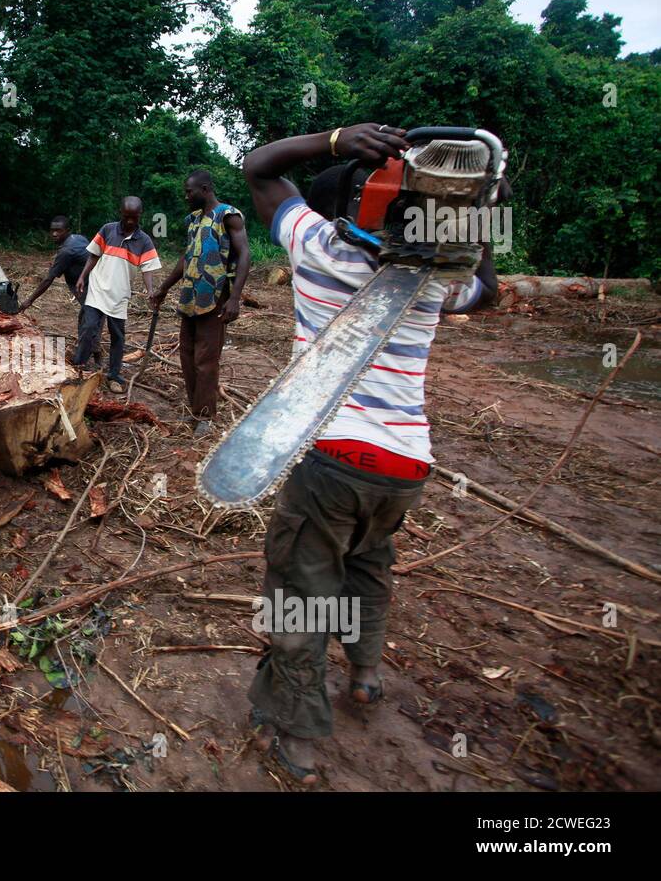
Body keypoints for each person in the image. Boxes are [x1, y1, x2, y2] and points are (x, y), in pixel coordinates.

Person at [239, 122, 500, 785]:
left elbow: (260, 169)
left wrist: (335, 139)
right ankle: (366, 677)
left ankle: (296, 738)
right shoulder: (437, 279)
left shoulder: (319, 247)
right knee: (370, 565)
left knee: (305, 590)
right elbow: (487, 290)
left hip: (331, 460)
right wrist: (477, 216)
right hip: (408, 466)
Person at [151, 169, 251, 438]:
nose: (186, 196)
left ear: (205, 189)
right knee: (187, 355)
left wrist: (234, 298)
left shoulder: (228, 216)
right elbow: (186, 258)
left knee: (206, 360)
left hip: (215, 298)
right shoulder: (194, 220)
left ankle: (205, 416)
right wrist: (164, 288)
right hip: (190, 297)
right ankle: (196, 408)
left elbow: (244, 256)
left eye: (189, 191)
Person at [74, 197, 161, 394]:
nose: (130, 221)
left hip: (120, 295)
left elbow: (148, 269)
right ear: (120, 212)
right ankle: (78, 366)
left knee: (118, 337)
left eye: (134, 217)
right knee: (88, 328)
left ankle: (114, 375)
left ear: (140, 215)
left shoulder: (144, 241)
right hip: (97, 289)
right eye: (126, 216)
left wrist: (150, 291)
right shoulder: (107, 229)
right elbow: (94, 255)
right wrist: (82, 276)